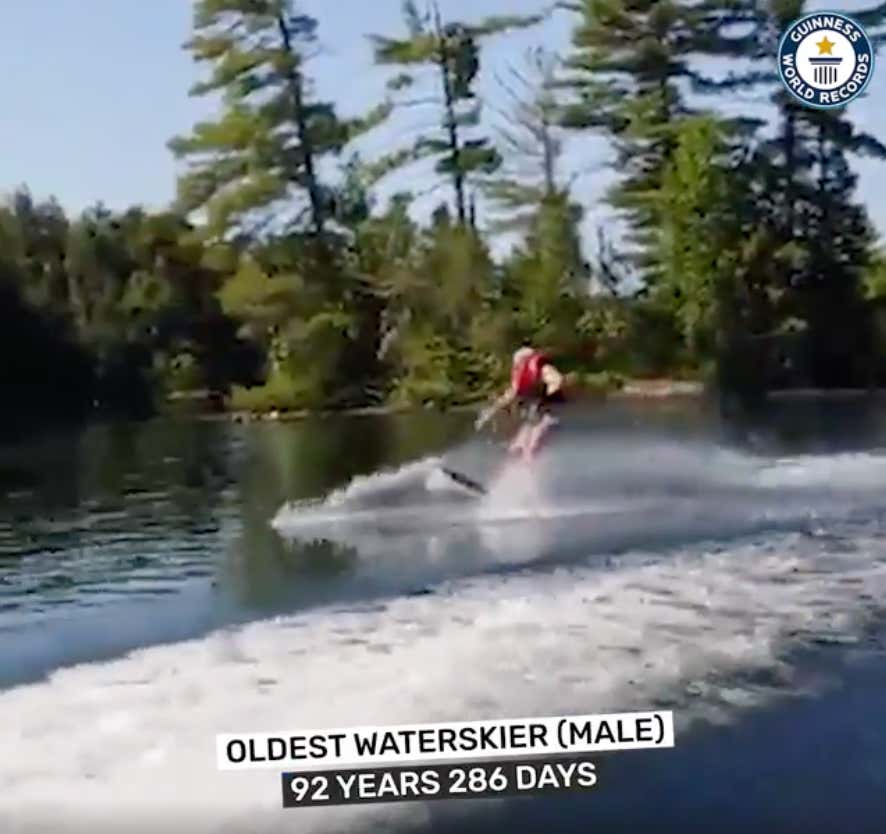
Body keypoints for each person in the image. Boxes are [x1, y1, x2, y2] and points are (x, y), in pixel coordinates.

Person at [475, 345, 566, 461]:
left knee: (532, 447)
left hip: (551, 416)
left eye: (518, 365)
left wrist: (550, 392)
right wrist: (488, 413)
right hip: (536, 417)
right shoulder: (522, 377)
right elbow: (509, 397)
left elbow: (557, 379)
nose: (517, 368)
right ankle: (513, 473)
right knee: (517, 446)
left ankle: (528, 471)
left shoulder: (542, 368)